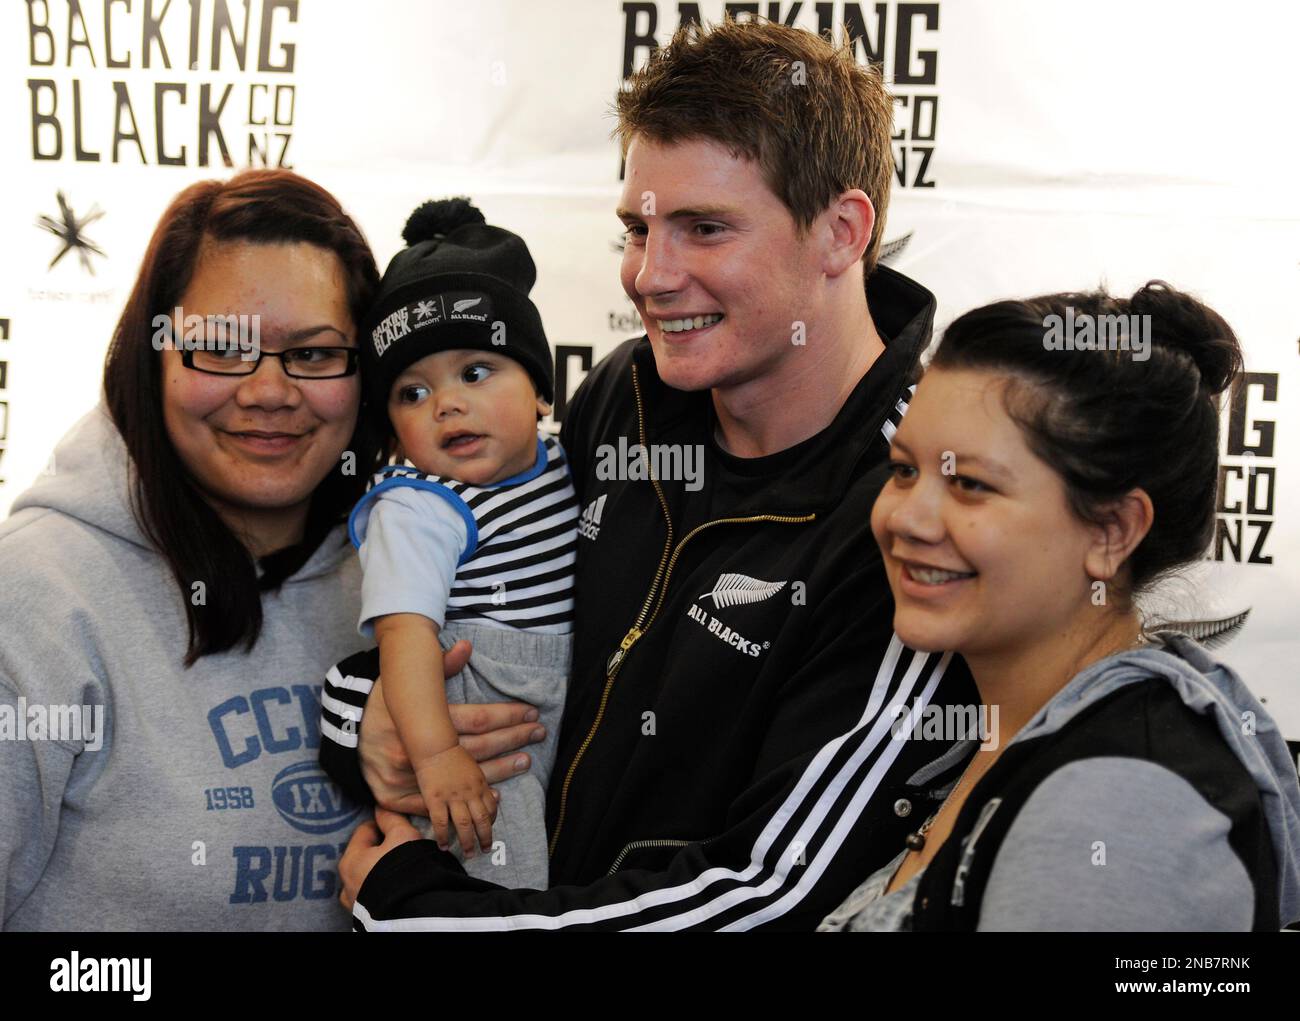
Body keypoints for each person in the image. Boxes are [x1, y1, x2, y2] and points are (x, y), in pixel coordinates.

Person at [326, 18, 977, 931]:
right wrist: (372, 717)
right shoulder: (621, 391)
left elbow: (772, 895)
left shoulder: (917, 502)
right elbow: (460, 599)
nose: (649, 274)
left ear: (840, 230)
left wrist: (427, 913)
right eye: (638, 227)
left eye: (704, 229)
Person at [0, 169, 543, 931]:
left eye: (315, 355)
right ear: (152, 355)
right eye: (221, 347)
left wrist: (363, 729)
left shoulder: (429, 559)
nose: (266, 390)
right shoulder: (30, 601)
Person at [819, 283, 1300, 931]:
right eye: (904, 470)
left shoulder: (1120, 807)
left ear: (1111, 532)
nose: (908, 516)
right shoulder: (1009, 732)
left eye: (970, 484)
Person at [325, 198, 576, 890]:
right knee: (500, 865)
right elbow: (405, 634)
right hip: (474, 706)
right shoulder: (419, 503)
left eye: (475, 372)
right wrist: (436, 754)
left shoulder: (560, 460)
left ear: (541, 391)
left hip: (555, 692)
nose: (446, 404)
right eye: (411, 392)